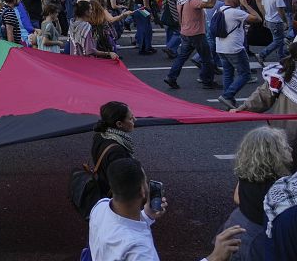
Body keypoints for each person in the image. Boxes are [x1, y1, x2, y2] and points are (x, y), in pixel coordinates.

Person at [89, 157, 242, 261]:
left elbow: (121, 226)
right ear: (143, 190)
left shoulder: (100, 207)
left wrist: (147, 216)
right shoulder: (139, 250)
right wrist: (213, 258)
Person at [218, 126, 292, 258]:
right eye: (285, 147)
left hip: (237, 224)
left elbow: (237, 197)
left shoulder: (246, 172)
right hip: (258, 237)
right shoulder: (280, 186)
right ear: (275, 153)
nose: (290, 149)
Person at [232, 41, 297, 153]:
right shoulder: (284, 71)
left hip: (283, 135)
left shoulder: (284, 70)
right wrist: (242, 109)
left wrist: (243, 108)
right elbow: (263, 95)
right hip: (287, 135)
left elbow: (263, 95)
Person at [164, 0, 222, 91]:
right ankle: (207, 81)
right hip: (196, 33)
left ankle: (171, 77)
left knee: (182, 57)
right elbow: (209, 4)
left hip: (185, 31)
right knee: (207, 59)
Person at [216, 0, 260, 110]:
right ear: (234, 0)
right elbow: (257, 18)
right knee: (245, 74)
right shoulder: (235, 12)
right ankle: (227, 95)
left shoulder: (219, 10)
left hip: (220, 47)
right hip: (234, 48)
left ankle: (229, 100)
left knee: (228, 73)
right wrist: (246, 5)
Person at [91, 102, 136, 199]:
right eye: (130, 118)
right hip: (115, 196)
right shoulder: (117, 151)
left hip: (102, 184)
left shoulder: (100, 135)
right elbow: (123, 182)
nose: (135, 120)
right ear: (119, 124)